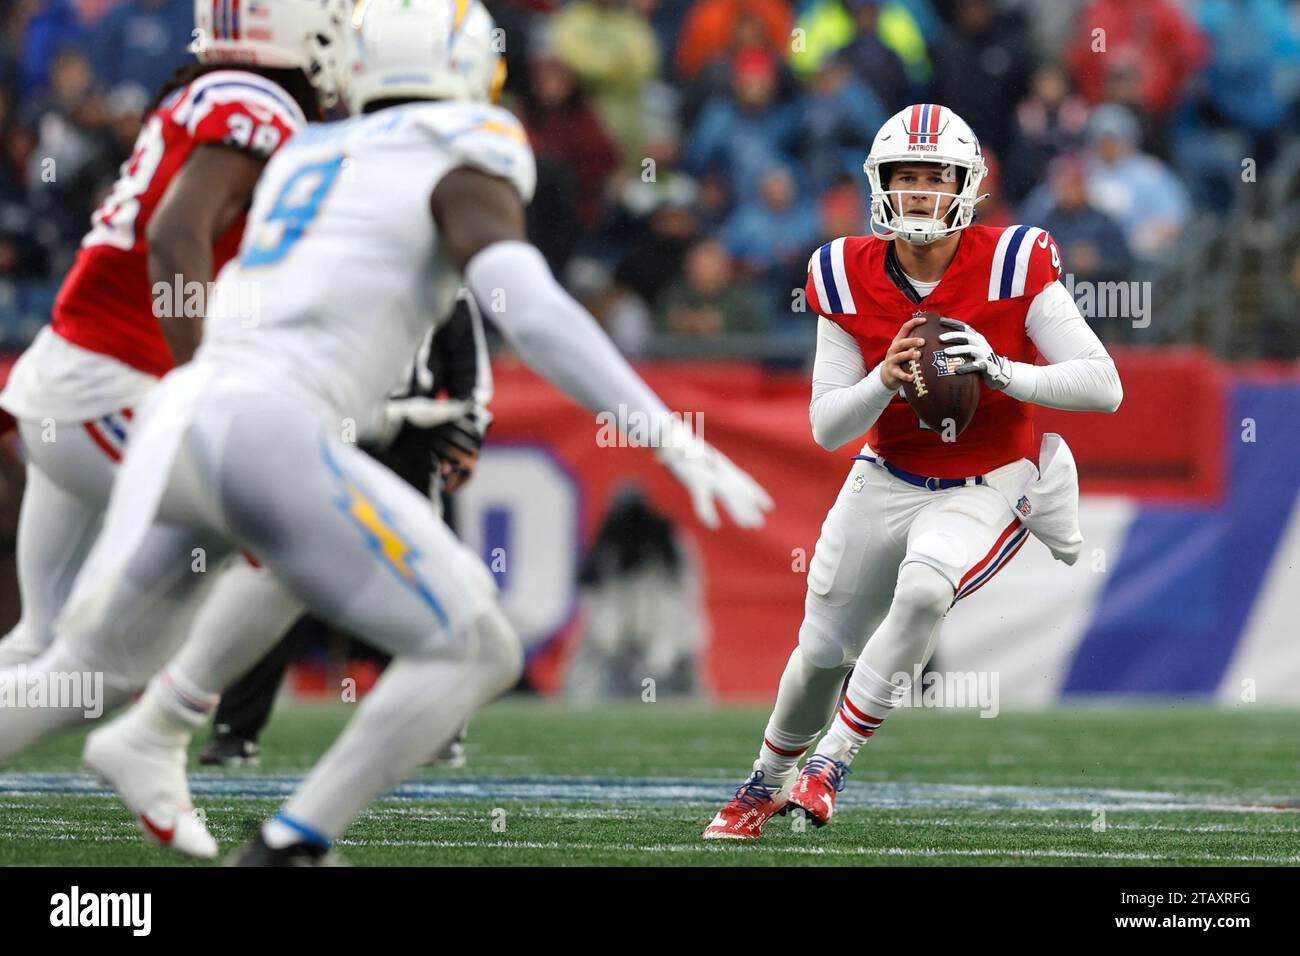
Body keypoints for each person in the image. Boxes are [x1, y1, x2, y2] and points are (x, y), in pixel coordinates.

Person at [2, 0, 771, 865]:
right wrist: (665, 432)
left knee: (81, 672)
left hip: (186, 414)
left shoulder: (309, 149)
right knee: (476, 647)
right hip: (263, 433)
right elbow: (533, 307)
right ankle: (290, 846)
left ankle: (160, 732)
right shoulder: (465, 146)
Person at [703, 103, 1122, 840]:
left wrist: (999, 370)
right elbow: (828, 422)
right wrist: (884, 381)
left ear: (966, 185)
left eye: (938, 177)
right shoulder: (843, 269)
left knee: (926, 586)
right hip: (889, 471)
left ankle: (833, 761)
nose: (923, 193)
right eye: (908, 177)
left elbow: (1103, 383)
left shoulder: (1013, 260)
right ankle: (763, 784)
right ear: (881, 185)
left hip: (988, 479)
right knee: (821, 653)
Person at [0, 0, 353, 670]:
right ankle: (171, 719)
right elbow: (173, 235)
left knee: (40, 643)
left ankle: (159, 731)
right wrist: (198, 381)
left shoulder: (207, 95)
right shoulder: (258, 107)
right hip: (107, 384)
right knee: (280, 536)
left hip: (76, 375)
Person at [200, 294, 493, 768]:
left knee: (426, 580)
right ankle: (236, 727)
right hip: (328, 427)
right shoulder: (332, 263)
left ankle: (437, 724)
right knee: (281, 574)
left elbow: (471, 376)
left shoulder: (442, 278)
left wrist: (468, 432)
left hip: (407, 439)